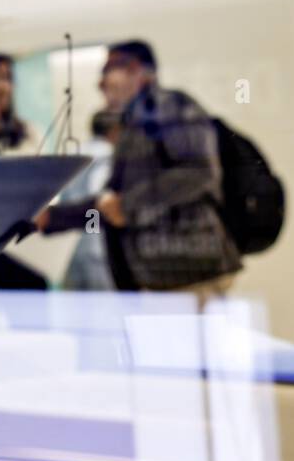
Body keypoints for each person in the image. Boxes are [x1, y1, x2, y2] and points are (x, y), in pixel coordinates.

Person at [36, 40, 241, 305]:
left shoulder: (170, 105)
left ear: (135, 70)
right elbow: (109, 205)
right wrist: (51, 218)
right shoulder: (134, 124)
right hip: (162, 279)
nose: (101, 84)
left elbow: (198, 173)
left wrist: (126, 204)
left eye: (108, 70)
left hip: (190, 274)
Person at [59, 110, 120, 292]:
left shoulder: (77, 153)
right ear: (114, 131)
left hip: (75, 243)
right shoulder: (107, 155)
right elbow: (97, 198)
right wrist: (93, 231)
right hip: (97, 245)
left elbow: (65, 198)